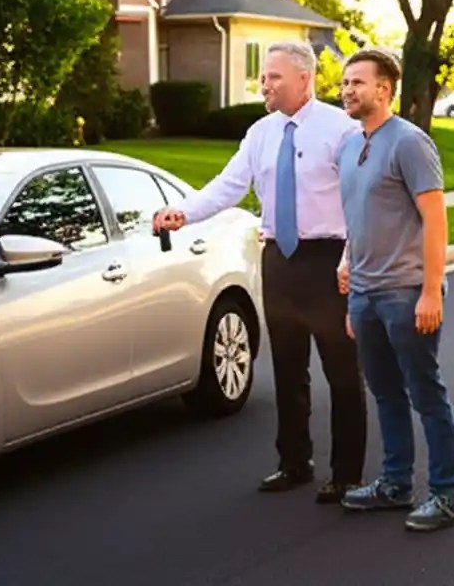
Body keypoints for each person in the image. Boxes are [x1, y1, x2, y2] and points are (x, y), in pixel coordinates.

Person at [152, 41, 367, 503]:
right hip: (280, 263)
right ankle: (294, 462)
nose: (264, 84)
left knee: (343, 373)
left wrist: (352, 257)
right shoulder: (260, 133)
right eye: (264, 76)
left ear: (304, 79)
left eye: (273, 77)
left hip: (330, 261)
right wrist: (183, 213)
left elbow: (361, 203)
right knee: (288, 370)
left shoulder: (342, 131)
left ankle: (347, 474)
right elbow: (227, 186)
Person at [333, 47, 454, 532]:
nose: (348, 90)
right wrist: (349, 274)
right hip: (365, 293)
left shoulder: (409, 143)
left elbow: (435, 218)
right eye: (345, 83)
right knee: (385, 393)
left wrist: (431, 291)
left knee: (425, 393)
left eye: (358, 83)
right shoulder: (350, 146)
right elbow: (357, 217)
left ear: (384, 89)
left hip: (406, 292)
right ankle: (395, 484)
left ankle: (446, 494)